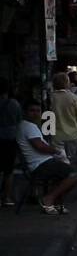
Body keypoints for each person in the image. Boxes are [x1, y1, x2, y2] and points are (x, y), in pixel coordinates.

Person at [16, 100, 77, 215]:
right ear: (25, 112)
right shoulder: (28, 126)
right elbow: (40, 146)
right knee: (75, 174)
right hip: (40, 164)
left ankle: (55, 201)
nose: (35, 113)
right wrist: (56, 151)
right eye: (32, 111)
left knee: (66, 173)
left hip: (43, 162)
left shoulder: (26, 125)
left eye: (38, 111)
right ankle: (49, 199)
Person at [51, 72, 77, 166]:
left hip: (56, 136)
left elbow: (47, 117)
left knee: (59, 162)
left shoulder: (50, 98)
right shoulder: (73, 98)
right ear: (67, 83)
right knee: (70, 161)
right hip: (72, 135)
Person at [0, 78, 22, 207]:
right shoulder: (14, 104)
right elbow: (19, 120)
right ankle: (7, 197)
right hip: (10, 139)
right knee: (8, 170)